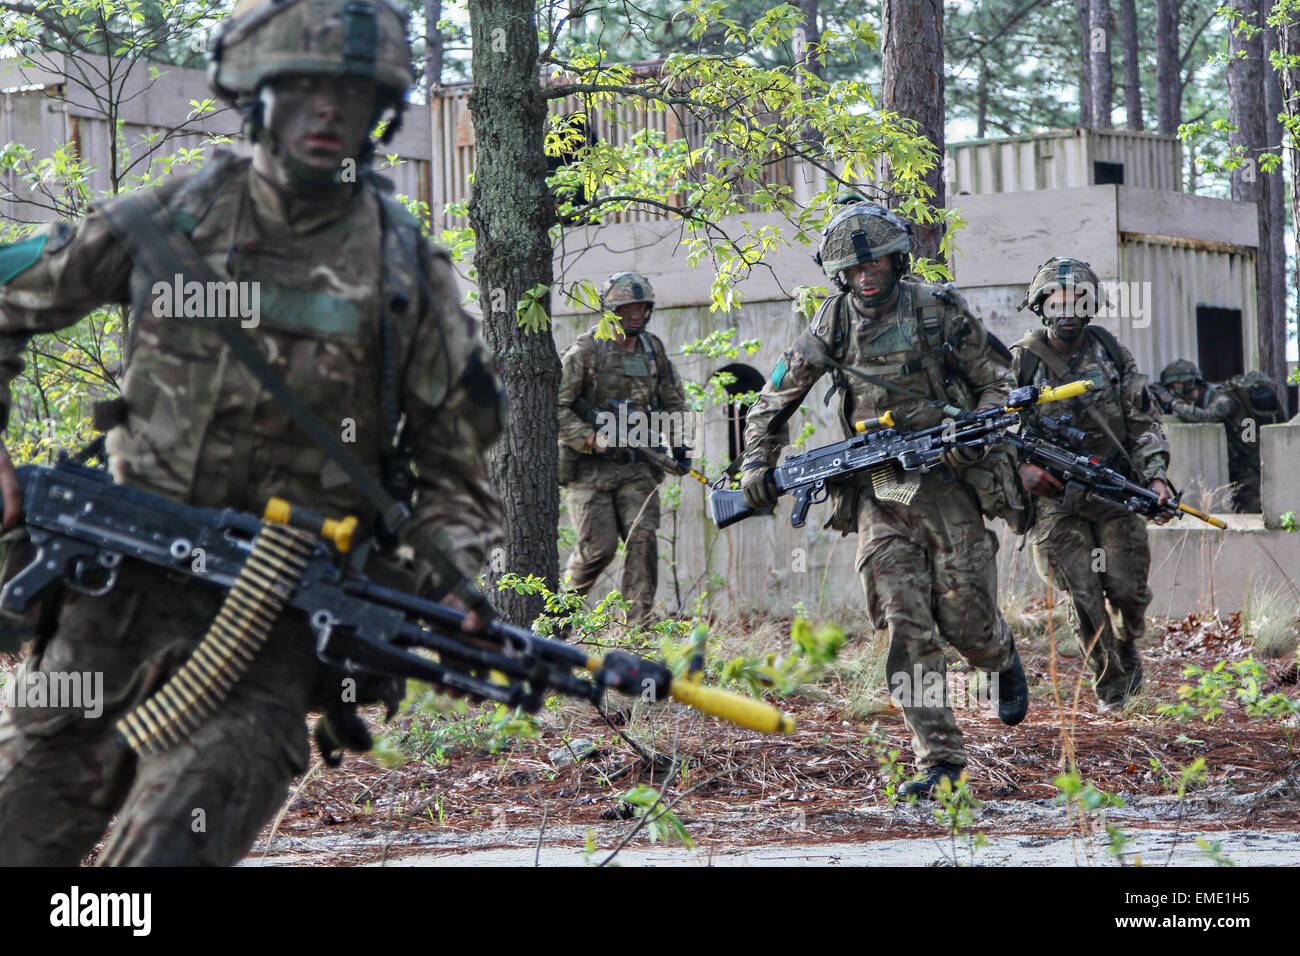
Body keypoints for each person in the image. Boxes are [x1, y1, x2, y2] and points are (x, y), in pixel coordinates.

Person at [0, 0, 504, 865]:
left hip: (268, 627)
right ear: (259, 92)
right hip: (112, 606)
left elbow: (455, 472)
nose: (325, 113)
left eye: (350, 93)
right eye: (302, 88)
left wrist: (452, 577)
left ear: (378, 110)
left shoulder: (405, 272)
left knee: (160, 863)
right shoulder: (170, 221)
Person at [738, 197, 1029, 798]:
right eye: (853, 270)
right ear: (839, 274)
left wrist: (969, 435)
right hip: (881, 490)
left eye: (875, 267)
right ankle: (940, 763)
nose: (865, 277)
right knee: (903, 623)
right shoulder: (831, 322)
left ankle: (999, 655)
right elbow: (774, 397)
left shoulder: (936, 310)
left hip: (947, 486)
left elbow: (998, 382)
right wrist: (757, 465)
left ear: (897, 262)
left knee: (966, 619)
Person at [1011, 257, 1170, 712]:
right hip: (1054, 499)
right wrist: (1021, 469)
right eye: (1057, 300)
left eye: (1077, 300)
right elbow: (994, 431)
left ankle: (1126, 643)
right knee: (1083, 596)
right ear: (1041, 305)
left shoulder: (1110, 352)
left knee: (1127, 592)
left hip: (1112, 489)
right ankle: (1114, 690)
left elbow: (1142, 419)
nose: (1067, 309)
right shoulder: (1020, 361)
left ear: (1090, 305)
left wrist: (1155, 475)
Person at [556, 272, 692, 624]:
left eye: (640, 308)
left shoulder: (652, 349)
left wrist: (680, 445)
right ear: (610, 311)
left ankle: (637, 633)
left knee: (642, 541)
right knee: (597, 551)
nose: (635, 315)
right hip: (589, 470)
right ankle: (554, 625)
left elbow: (674, 401)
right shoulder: (586, 351)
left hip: (637, 467)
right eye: (626, 308)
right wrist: (590, 438)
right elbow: (554, 405)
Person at [1155, 360, 1283, 513]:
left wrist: (1173, 402)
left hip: (1250, 467)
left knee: (1251, 512)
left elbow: (1207, 416)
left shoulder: (1222, 396)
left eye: (1172, 387)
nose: (1171, 392)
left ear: (1188, 383)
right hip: (1237, 465)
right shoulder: (1204, 399)